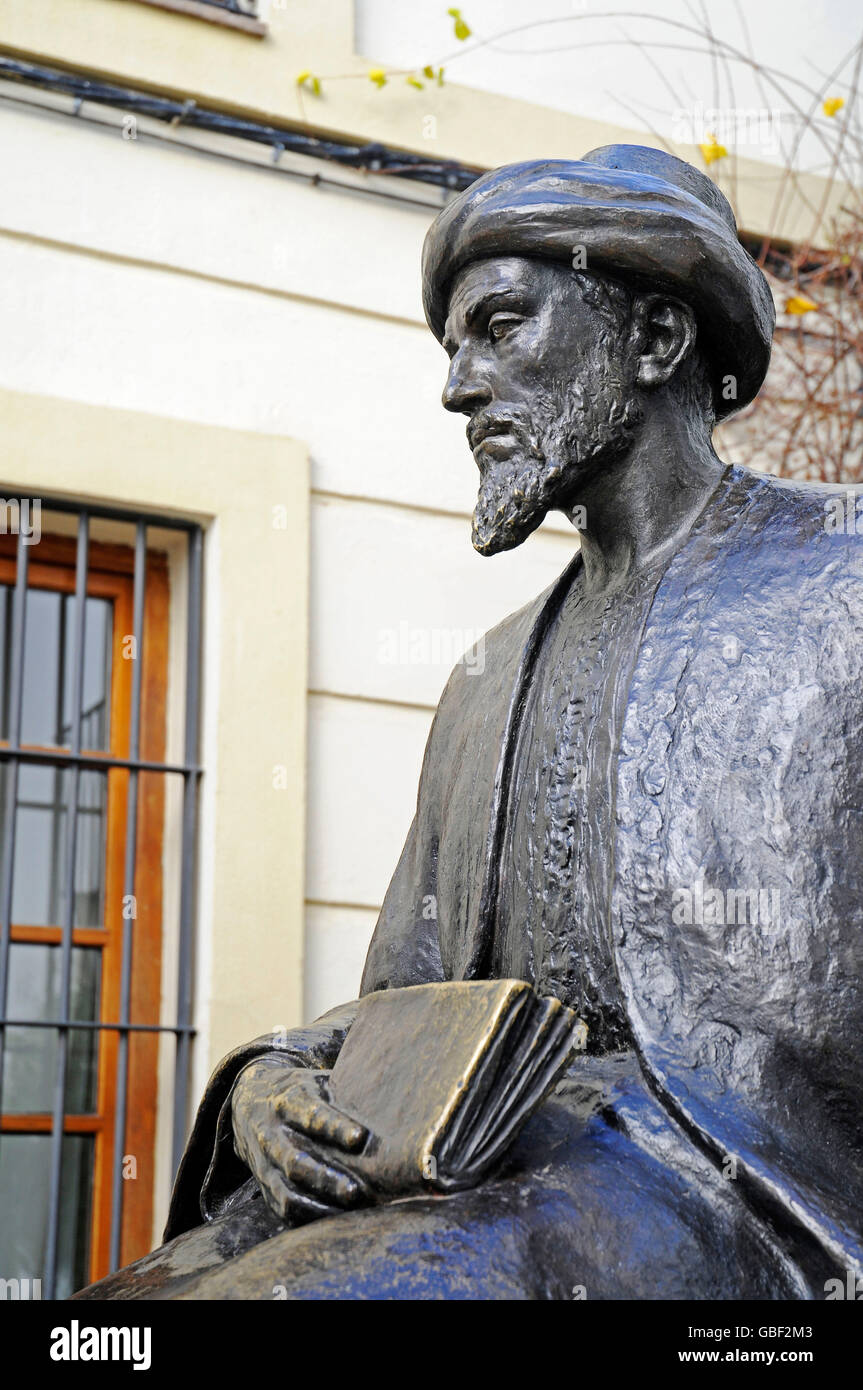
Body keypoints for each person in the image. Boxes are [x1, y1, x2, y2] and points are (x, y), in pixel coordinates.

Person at [79, 146, 863, 1301]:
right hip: (466, 1155)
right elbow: (401, 1001)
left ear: (654, 340)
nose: (458, 387)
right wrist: (275, 1075)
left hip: (739, 1196)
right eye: (455, 348)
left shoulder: (841, 580)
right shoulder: (483, 676)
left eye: (500, 327)